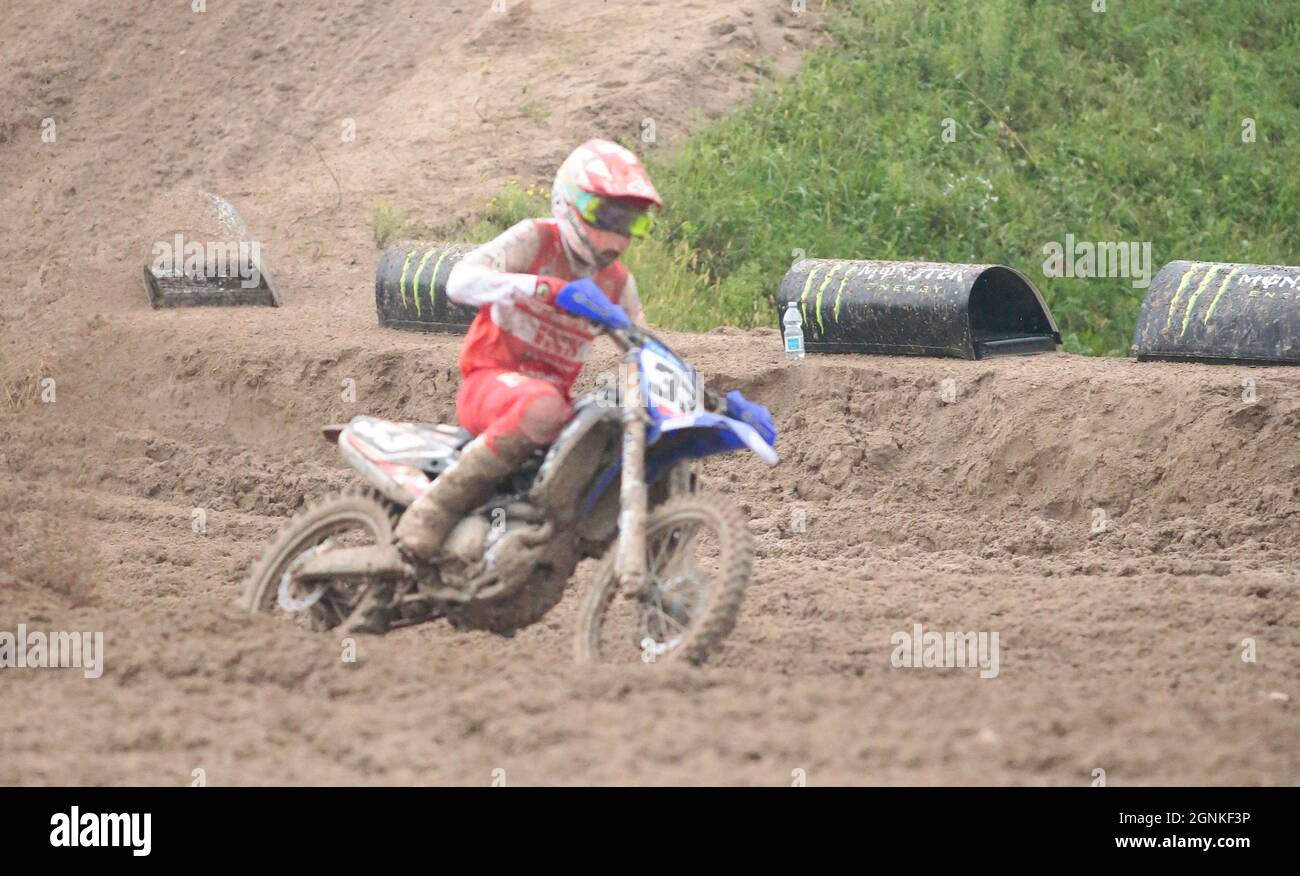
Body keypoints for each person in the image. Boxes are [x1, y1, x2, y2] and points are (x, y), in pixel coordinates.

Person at [341, 140, 661, 633]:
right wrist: (537, 287)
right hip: (489, 384)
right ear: (569, 202)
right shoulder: (536, 240)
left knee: (600, 436)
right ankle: (428, 516)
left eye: (631, 222)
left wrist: (701, 398)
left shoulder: (618, 284)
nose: (616, 234)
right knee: (543, 405)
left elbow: (641, 347)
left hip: (548, 406)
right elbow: (459, 281)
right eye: (606, 214)